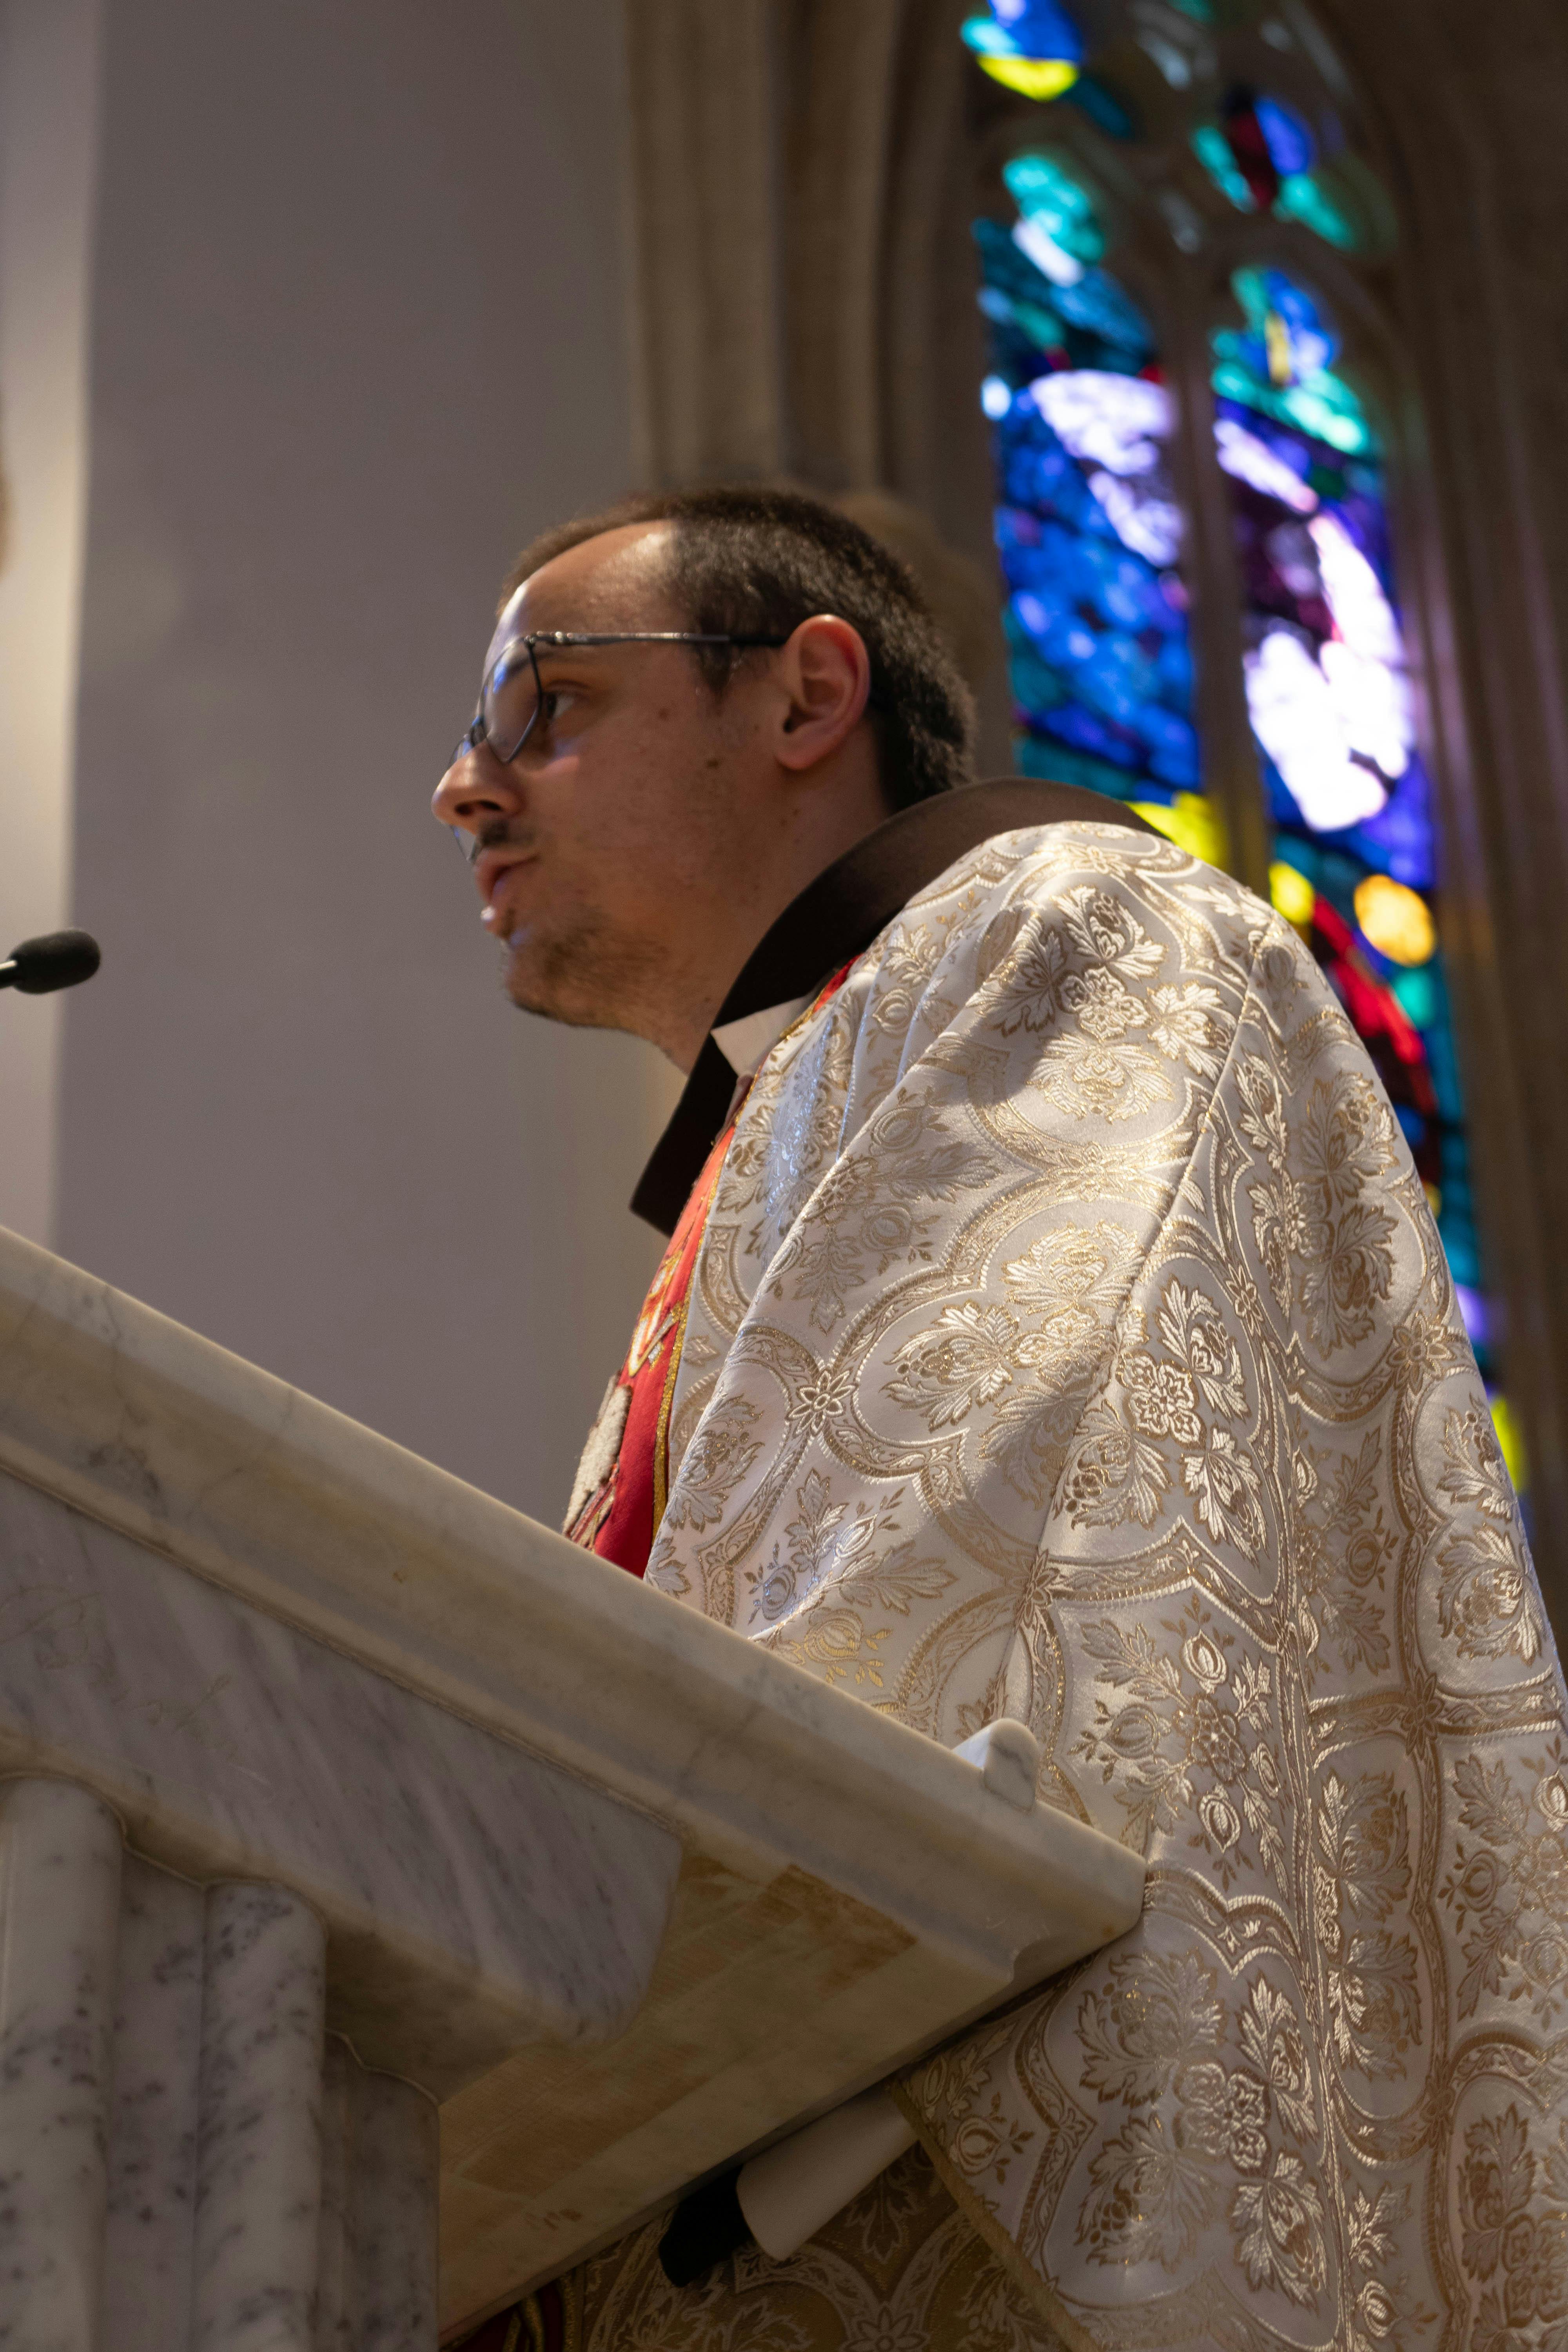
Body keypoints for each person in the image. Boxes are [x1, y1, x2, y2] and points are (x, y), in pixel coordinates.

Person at [436, 487, 1568, 2352]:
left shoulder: (1074, 928)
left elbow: (979, 1575)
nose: (466, 788)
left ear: (807, 694)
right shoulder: (802, 1080)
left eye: (539, 703)